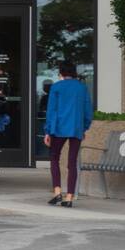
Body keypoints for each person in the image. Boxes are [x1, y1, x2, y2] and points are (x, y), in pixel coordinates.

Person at [44, 60, 93, 208]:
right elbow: (87, 110)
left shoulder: (56, 87)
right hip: (76, 128)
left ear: (61, 72)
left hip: (58, 128)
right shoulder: (81, 88)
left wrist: (47, 131)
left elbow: (51, 110)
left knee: (54, 158)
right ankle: (70, 197)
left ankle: (57, 192)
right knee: (72, 163)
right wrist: (84, 128)